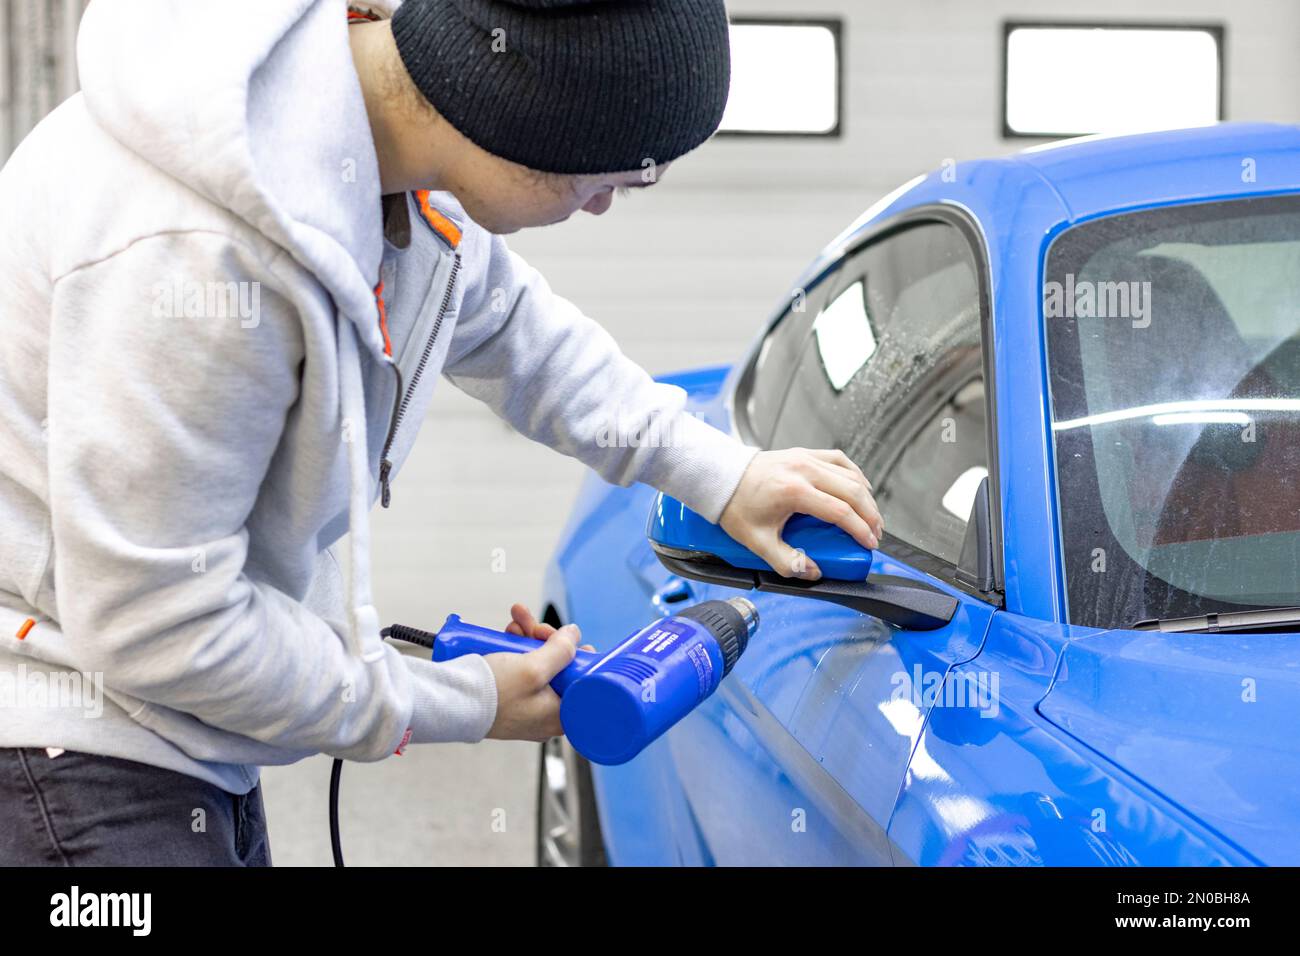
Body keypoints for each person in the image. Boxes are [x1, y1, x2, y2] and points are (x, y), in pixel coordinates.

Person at [0, 0, 881, 865]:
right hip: (77, 757)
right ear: (520, 109)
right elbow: (157, 627)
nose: (609, 204)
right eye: (613, 172)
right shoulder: (195, 253)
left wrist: (721, 475)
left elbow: (516, 333)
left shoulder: (399, 159)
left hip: (182, 737)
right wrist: (458, 702)